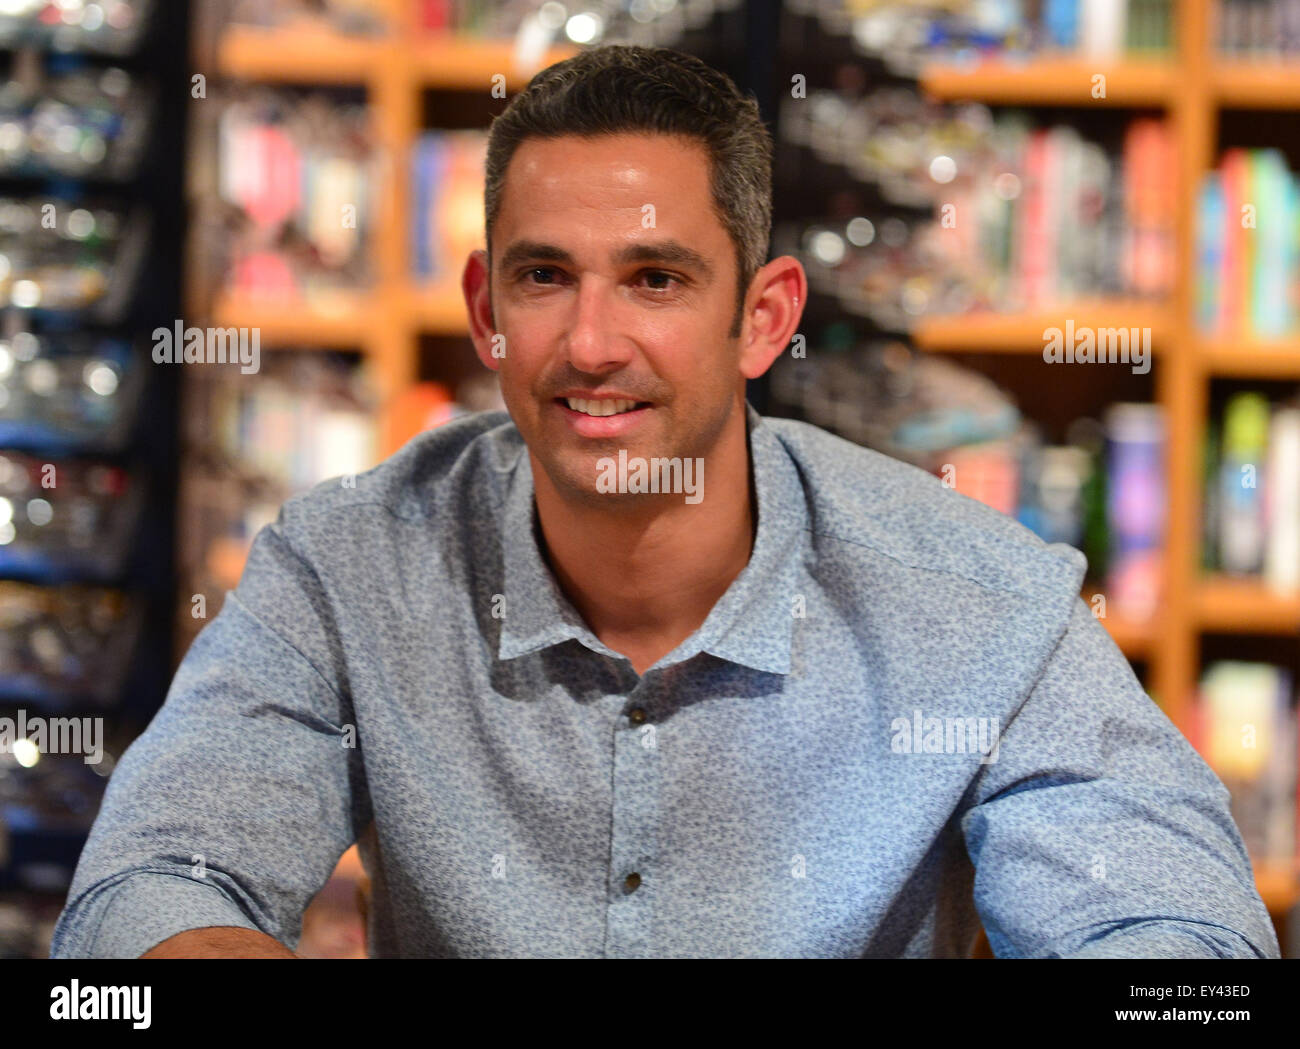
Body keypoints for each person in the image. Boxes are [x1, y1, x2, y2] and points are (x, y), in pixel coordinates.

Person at [51, 45, 1279, 959]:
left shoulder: (977, 601)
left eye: (654, 278)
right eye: (545, 277)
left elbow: (1185, 945)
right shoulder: (350, 566)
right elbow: (140, 895)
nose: (591, 342)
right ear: (485, 310)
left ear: (764, 318)